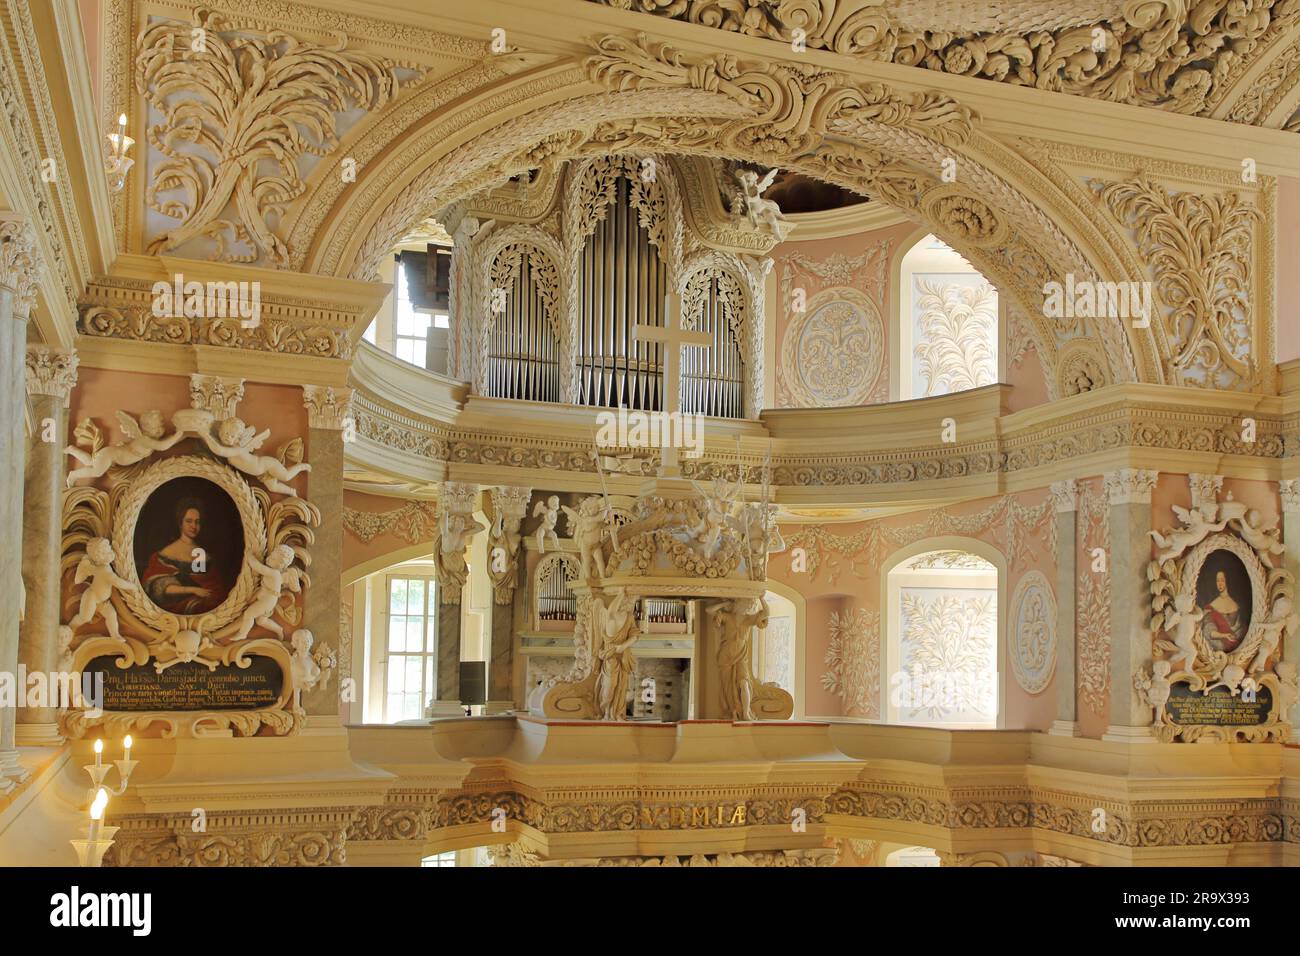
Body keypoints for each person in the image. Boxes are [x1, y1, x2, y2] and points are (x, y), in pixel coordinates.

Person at [141, 497, 228, 613]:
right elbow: (156, 586)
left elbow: (214, 588)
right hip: (174, 607)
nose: (194, 526)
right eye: (189, 521)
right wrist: (193, 590)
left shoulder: (203, 554)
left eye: (197, 522)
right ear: (180, 523)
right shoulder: (168, 552)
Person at [1200, 569, 1246, 653]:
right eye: (1217, 581)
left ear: (1227, 581)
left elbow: (1241, 629)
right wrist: (1224, 636)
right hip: (1218, 646)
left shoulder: (1237, 605)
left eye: (1222, 580)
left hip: (1238, 647)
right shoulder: (1211, 606)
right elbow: (1208, 631)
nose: (1219, 583)